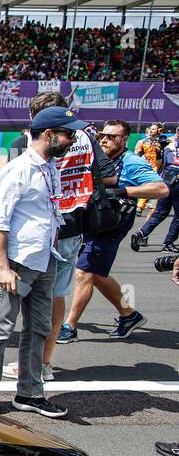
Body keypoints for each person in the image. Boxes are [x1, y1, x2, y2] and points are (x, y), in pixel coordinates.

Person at [6, 91, 116, 381]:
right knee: (56, 296)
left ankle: (26, 365)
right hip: (72, 227)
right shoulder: (87, 138)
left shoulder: (25, 142)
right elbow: (108, 176)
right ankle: (44, 363)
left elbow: (12, 187)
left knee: (23, 298)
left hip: (34, 230)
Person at [0, 106, 78, 419]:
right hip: (17, 262)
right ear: (50, 135)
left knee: (39, 329)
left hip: (45, 259)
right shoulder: (17, 170)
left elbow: (49, 214)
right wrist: (4, 266)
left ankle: (30, 393)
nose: (73, 139)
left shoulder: (49, 167)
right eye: (68, 133)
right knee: (1, 329)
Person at [63, 119, 168, 341]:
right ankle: (129, 315)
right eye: (103, 135)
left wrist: (123, 191)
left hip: (113, 223)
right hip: (93, 220)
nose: (106, 140)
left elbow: (161, 189)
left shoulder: (131, 162)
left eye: (112, 137)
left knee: (83, 272)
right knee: (97, 273)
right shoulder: (97, 158)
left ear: (125, 139)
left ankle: (69, 326)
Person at [131, 130, 179, 253]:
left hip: (166, 179)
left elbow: (161, 164)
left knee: (160, 212)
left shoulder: (168, 145)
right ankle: (168, 243)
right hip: (175, 180)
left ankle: (140, 234)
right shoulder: (167, 145)